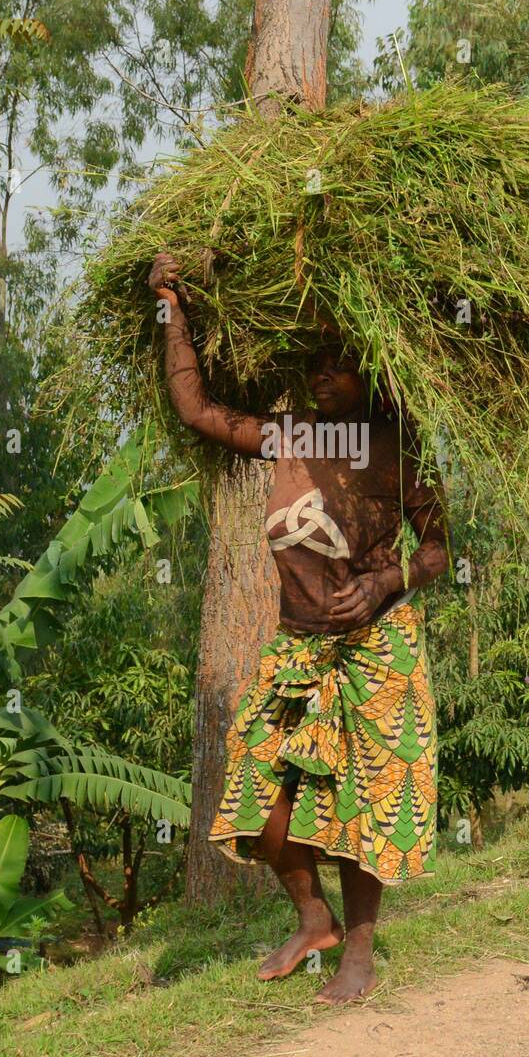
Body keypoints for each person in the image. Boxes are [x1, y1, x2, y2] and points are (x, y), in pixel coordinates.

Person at [148, 253, 449, 1005]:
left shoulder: (399, 444)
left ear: (371, 371)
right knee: (256, 793)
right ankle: (315, 921)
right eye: (313, 363)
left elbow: (440, 549)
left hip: (375, 648)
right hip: (297, 648)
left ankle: (360, 952)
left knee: (363, 802)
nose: (321, 374)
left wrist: (384, 582)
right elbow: (196, 410)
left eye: (337, 363)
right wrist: (171, 308)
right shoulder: (287, 437)